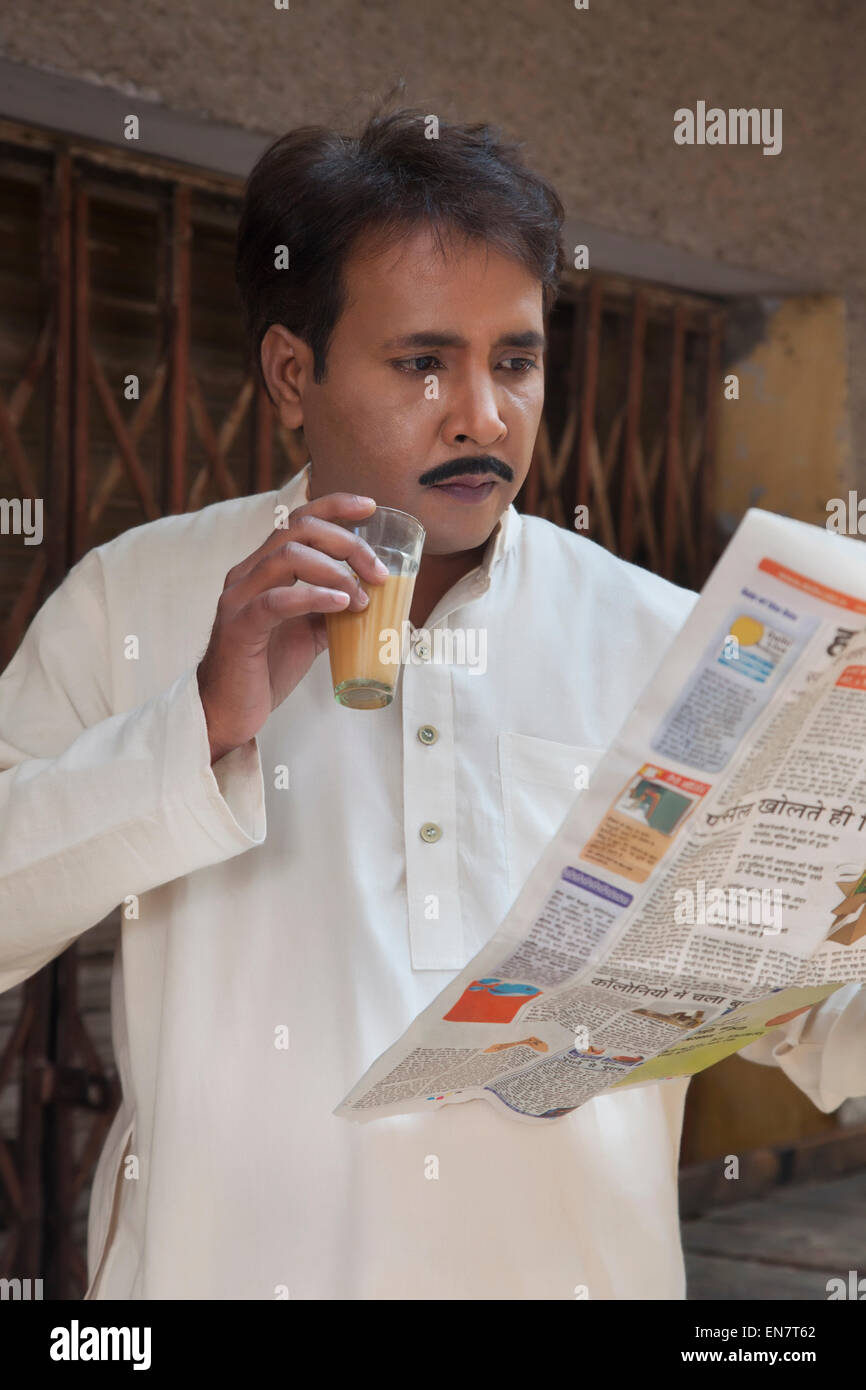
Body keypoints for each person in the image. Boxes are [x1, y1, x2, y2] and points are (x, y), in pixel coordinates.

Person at [2, 106, 864, 1301]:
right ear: (291, 374)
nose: (483, 414)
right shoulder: (132, 601)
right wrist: (195, 729)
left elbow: (807, 1017)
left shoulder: (666, 640)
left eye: (514, 360)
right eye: (422, 363)